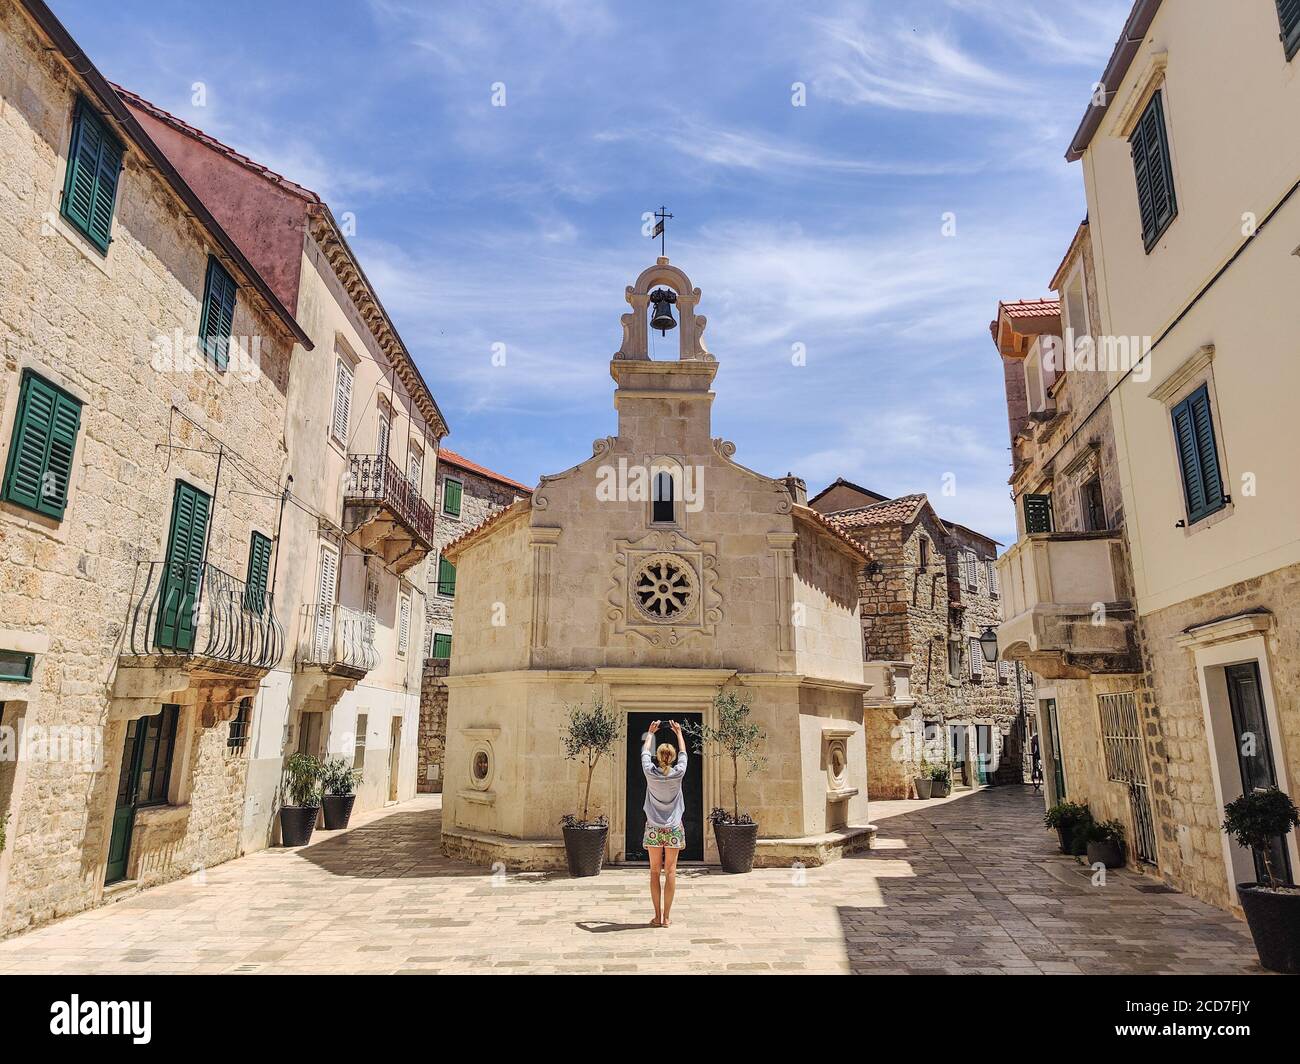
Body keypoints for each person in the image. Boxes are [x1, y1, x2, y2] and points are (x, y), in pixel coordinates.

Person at [641, 719, 687, 927]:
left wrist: (651, 733)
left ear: (657, 757)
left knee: (654, 871)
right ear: (673, 757)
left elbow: (644, 752)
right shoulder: (679, 773)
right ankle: (667, 917)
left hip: (653, 827)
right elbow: (684, 754)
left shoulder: (650, 772)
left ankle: (656, 916)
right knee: (670, 871)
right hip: (674, 828)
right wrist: (678, 732)